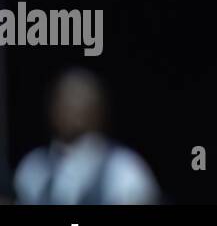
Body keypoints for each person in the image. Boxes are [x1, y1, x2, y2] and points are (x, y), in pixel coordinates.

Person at [14, 69, 159, 205]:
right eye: (64, 99)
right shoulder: (33, 168)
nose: (71, 107)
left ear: (100, 110)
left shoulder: (124, 170)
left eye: (81, 99)